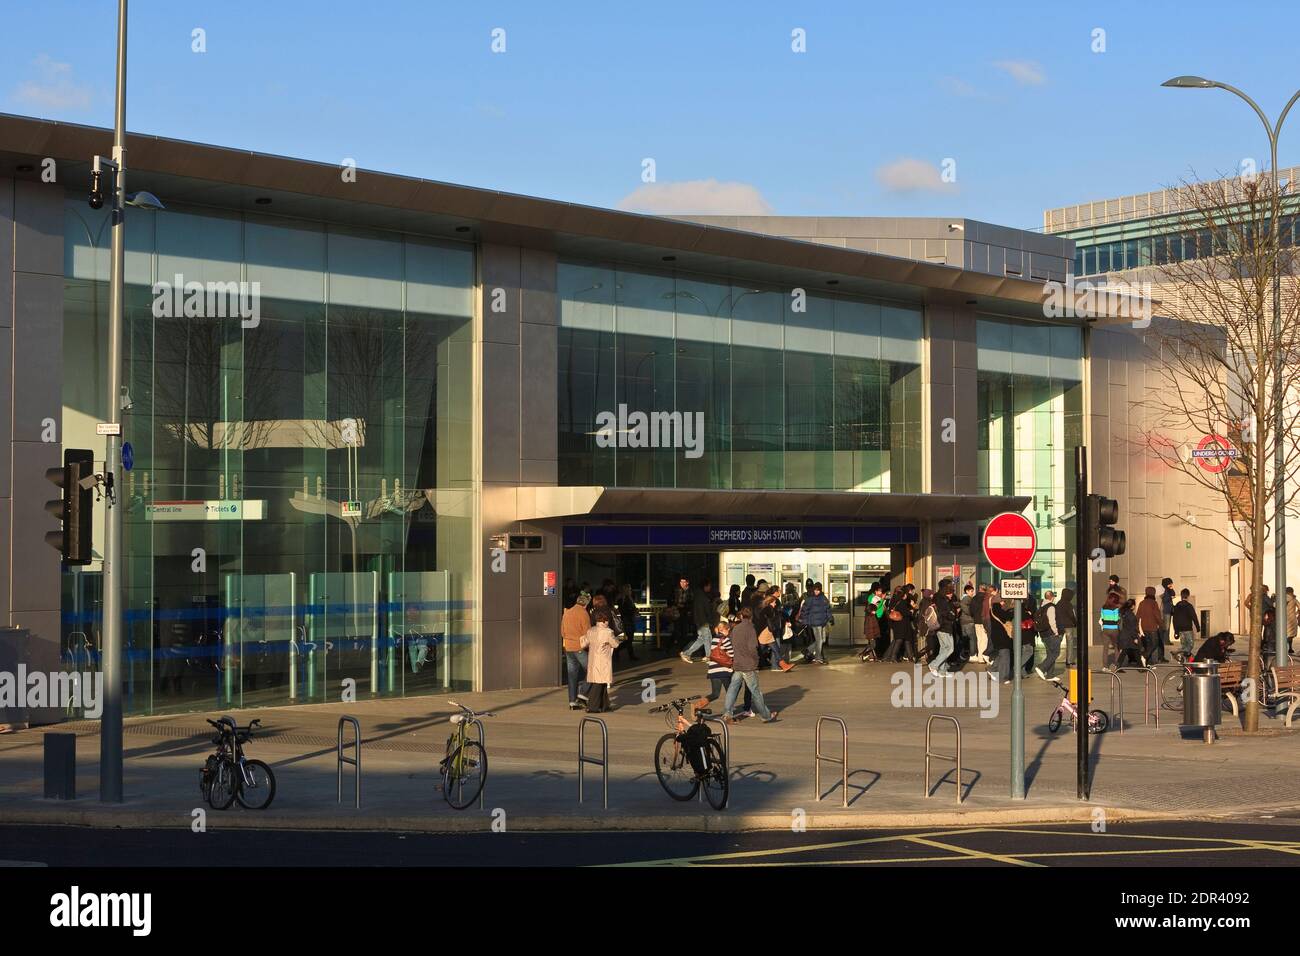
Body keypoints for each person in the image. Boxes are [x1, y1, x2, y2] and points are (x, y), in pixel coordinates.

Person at [722, 608, 779, 723]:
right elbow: (753, 647)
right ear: (750, 617)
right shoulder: (751, 629)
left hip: (737, 664)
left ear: (741, 617)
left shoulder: (735, 629)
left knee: (732, 689)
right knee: (755, 691)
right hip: (748, 665)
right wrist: (756, 660)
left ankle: (727, 713)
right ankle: (766, 715)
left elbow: (731, 642)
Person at [581, 608, 621, 713]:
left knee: (601, 683)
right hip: (603, 660)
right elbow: (615, 644)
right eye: (607, 619)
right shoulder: (608, 632)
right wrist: (617, 639)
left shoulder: (591, 630)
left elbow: (583, 644)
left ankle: (605, 706)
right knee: (598, 684)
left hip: (593, 659)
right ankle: (592, 707)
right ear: (605, 620)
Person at [561, 592, 592, 710]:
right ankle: (583, 693)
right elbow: (587, 633)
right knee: (592, 670)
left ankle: (572, 702)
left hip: (568, 647)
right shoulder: (584, 614)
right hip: (579, 647)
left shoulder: (567, 613)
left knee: (572, 675)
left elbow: (562, 632)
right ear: (586, 604)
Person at [796, 581, 834, 664]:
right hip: (815, 623)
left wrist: (831, 618)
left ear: (820, 590)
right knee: (819, 640)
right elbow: (804, 611)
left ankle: (808, 650)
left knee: (823, 640)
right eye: (815, 590)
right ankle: (818, 658)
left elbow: (828, 609)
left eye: (818, 590)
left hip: (823, 622)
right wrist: (804, 621)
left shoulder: (824, 598)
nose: (816, 592)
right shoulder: (810, 599)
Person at [680, 579, 717, 663]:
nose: (710, 588)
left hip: (699, 621)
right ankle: (707, 656)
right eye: (709, 586)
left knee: (702, 639)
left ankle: (687, 653)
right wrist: (710, 621)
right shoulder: (703, 597)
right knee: (707, 638)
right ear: (706, 586)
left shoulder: (697, 595)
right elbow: (707, 610)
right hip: (703, 621)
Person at [759, 587, 795, 672]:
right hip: (766, 632)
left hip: (768, 632)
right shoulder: (769, 609)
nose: (775, 604)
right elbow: (773, 620)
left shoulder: (769, 609)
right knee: (762, 649)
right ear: (770, 602)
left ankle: (783, 665)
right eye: (774, 603)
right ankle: (755, 663)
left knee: (775, 649)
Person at [930, 577, 959, 676]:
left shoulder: (938, 597)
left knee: (944, 648)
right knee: (950, 648)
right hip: (944, 626)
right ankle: (934, 665)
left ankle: (942, 671)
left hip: (941, 626)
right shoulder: (942, 599)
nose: (952, 594)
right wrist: (954, 614)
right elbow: (946, 613)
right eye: (950, 592)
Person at [987, 593, 1015, 683]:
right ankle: (1003, 677)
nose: (1003, 603)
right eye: (1002, 601)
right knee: (1005, 655)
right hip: (1001, 635)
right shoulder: (997, 608)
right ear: (998, 601)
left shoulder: (993, 609)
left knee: (1001, 654)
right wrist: (1013, 610)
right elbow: (1006, 616)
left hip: (997, 635)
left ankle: (992, 669)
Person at [882, 587, 915, 663]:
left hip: (898, 624)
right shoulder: (903, 603)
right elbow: (906, 613)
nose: (906, 596)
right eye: (905, 595)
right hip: (902, 625)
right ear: (903, 596)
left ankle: (910, 656)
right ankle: (893, 657)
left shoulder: (897, 602)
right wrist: (911, 611)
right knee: (899, 640)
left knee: (906, 640)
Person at [1034, 590, 1061, 680]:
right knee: (1056, 653)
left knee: (1050, 654)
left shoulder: (1041, 606)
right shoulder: (1051, 607)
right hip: (1051, 634)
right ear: (1052, 597)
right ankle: (1041, 667)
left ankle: (1050, 675)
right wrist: (1056, 632)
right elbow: (1052, 621)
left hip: (1044, 634)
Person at [1136, 586, 1165, 665]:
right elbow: (1157, 616)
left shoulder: (1142, 603)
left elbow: (1138, 616)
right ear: (1153, 593)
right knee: (1155, 644)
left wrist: (1137, 628)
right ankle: (1145, 656)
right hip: (1152, 627)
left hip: (1143, 628)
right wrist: (1162, 625)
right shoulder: (1153, 603)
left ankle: (1148, 663)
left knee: (1148, 645)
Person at [613, 583, 639, 662]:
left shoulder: (626, 598)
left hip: (628, 620)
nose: (630, 590)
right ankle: (619, 650)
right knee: (630, 639)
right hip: (628, 620)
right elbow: (624, 611)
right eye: (629, 589)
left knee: (630, 639)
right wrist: (633, 611)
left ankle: (628, 654)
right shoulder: (624, 599)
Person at [1171, 588, 1199, 660]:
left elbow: (1174, 619)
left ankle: (1184, 662)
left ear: (1181, 596)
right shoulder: (1189, 606)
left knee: (1184, 646)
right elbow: (1194, 617)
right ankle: (1177, 652)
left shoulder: (1177, 606)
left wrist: (1176, 631)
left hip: (1180, 630)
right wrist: (1197, 627)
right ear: (1188, 596)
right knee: (1190, 645)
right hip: (1187, 629)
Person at [861, 583, 886, 661]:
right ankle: (866, 654)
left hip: (876, 621)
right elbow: (876, 606)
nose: (881, 593)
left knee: (873, 643)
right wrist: (882, 600)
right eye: (879, 591)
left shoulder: (875, 598)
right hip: (875, 622)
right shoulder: (873, 598)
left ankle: (871, 656)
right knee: (873, 643)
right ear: (875, 591)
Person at [669, 575, 695, 649]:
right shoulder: (676, 590)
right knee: (676, 628)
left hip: (685, 612)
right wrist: (675, 605)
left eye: (684, 582)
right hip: (677, 611)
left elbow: (691, 602)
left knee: (684, 629)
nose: (682, 583)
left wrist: (685, 606)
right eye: (681, 582)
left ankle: (683, 645)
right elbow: (671, 599)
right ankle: (675, 642)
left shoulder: (690, 591)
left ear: (687, 583)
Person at [1116, 598, 1143, 668]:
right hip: (1129, 637)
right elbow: (1132, 627)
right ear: (1133, 606)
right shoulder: (1131, 615)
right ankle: (1141, 667)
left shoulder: (1124, 613)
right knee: (1136, 650)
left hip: (1124, 635)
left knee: (1125, 651)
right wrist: (1135, 637)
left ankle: (1118, 666)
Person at [1099, 591, 1122, 668]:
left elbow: (1102, 618)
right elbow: (1116, 619)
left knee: (1105, 649)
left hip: (1105, 629)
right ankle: (1117, 665)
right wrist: (1119, 618)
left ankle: (1105, 666)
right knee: (1116, 647)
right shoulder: (1116, 609)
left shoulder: (1103, 607)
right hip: (1114, 629)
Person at [1057, 588, 1077, 667]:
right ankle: (1069, 661)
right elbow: (1072, 615)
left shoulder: (1058, 603)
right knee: (1070, 643)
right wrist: (1075, 623)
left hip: (1060, 626)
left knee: (1057, 642)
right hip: (1069, 625)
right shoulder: (1069, 604)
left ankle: (1053, 657)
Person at [959, 583, 977, 662]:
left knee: (965, 639)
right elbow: (967, 610)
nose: (972, 592)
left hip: (963, 621)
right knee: (972, 639)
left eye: (973, 591)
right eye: (971, 591)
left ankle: (963, 654)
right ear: (967, 591)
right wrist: (973, 614)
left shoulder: (963, 598)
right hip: (969, 621)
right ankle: (972, 655)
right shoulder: (967, 598)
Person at [1287, 587, 1299, 655]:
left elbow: (1275, 605)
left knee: (1284, 633)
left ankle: (1284, 647)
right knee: (1290, 634)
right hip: (1292, 619)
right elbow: (1299, 607)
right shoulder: (1294, 599)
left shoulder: (1283, 598)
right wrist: (1296, 613)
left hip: (1283, 618)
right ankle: (1290, 648)